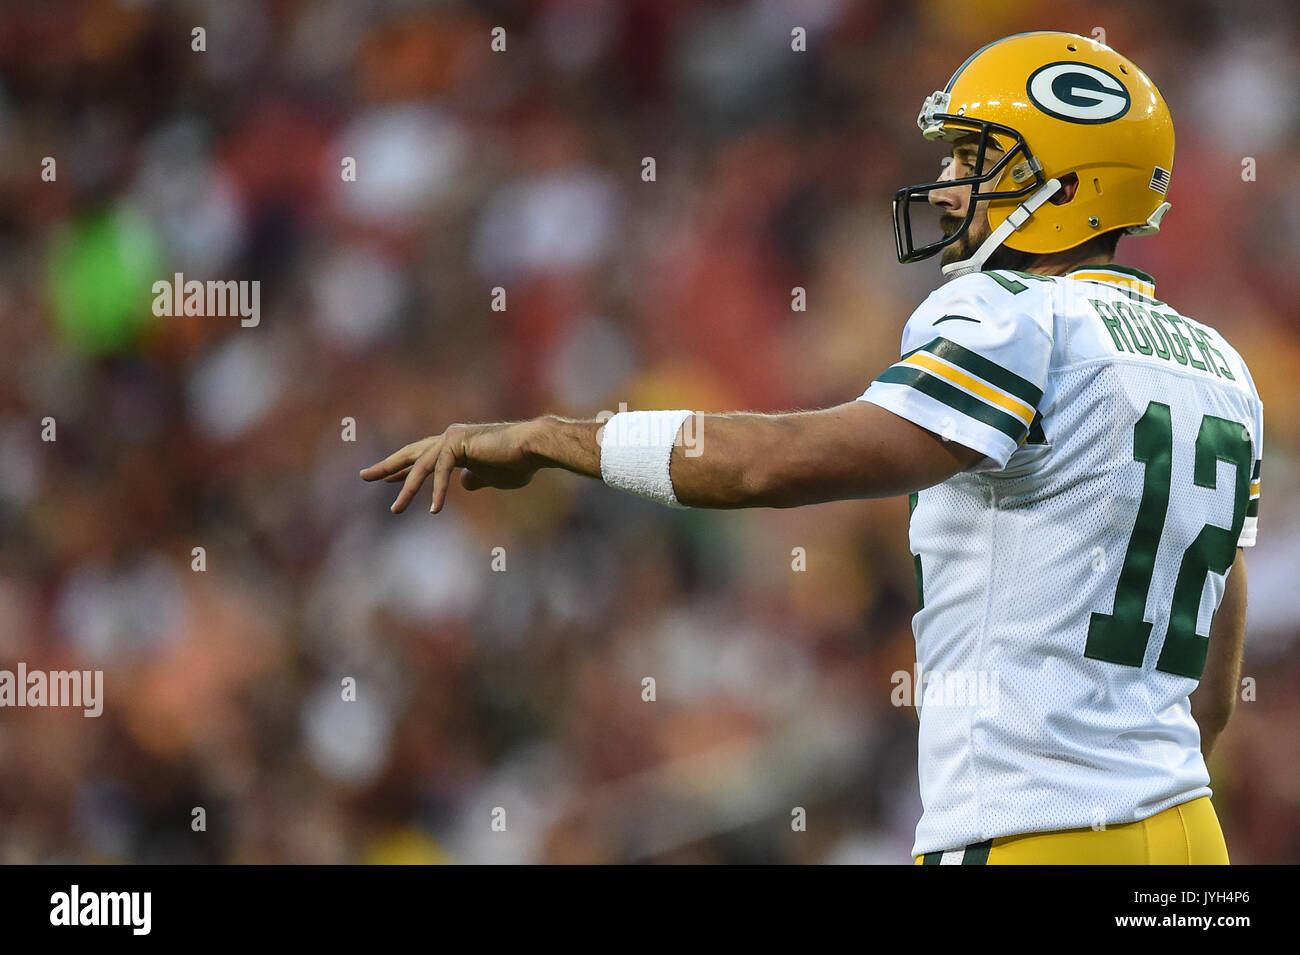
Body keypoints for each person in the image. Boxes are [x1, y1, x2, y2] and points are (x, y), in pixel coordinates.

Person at [361, 32, 1262, 865]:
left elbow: (771, 462)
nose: (949, 185)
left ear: (1066, 186)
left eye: (978, 162)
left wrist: (560, 438)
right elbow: (1214, 684)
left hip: (1032, 829)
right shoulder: (1221, 364)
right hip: (1188, 835)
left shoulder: (1012, 318)